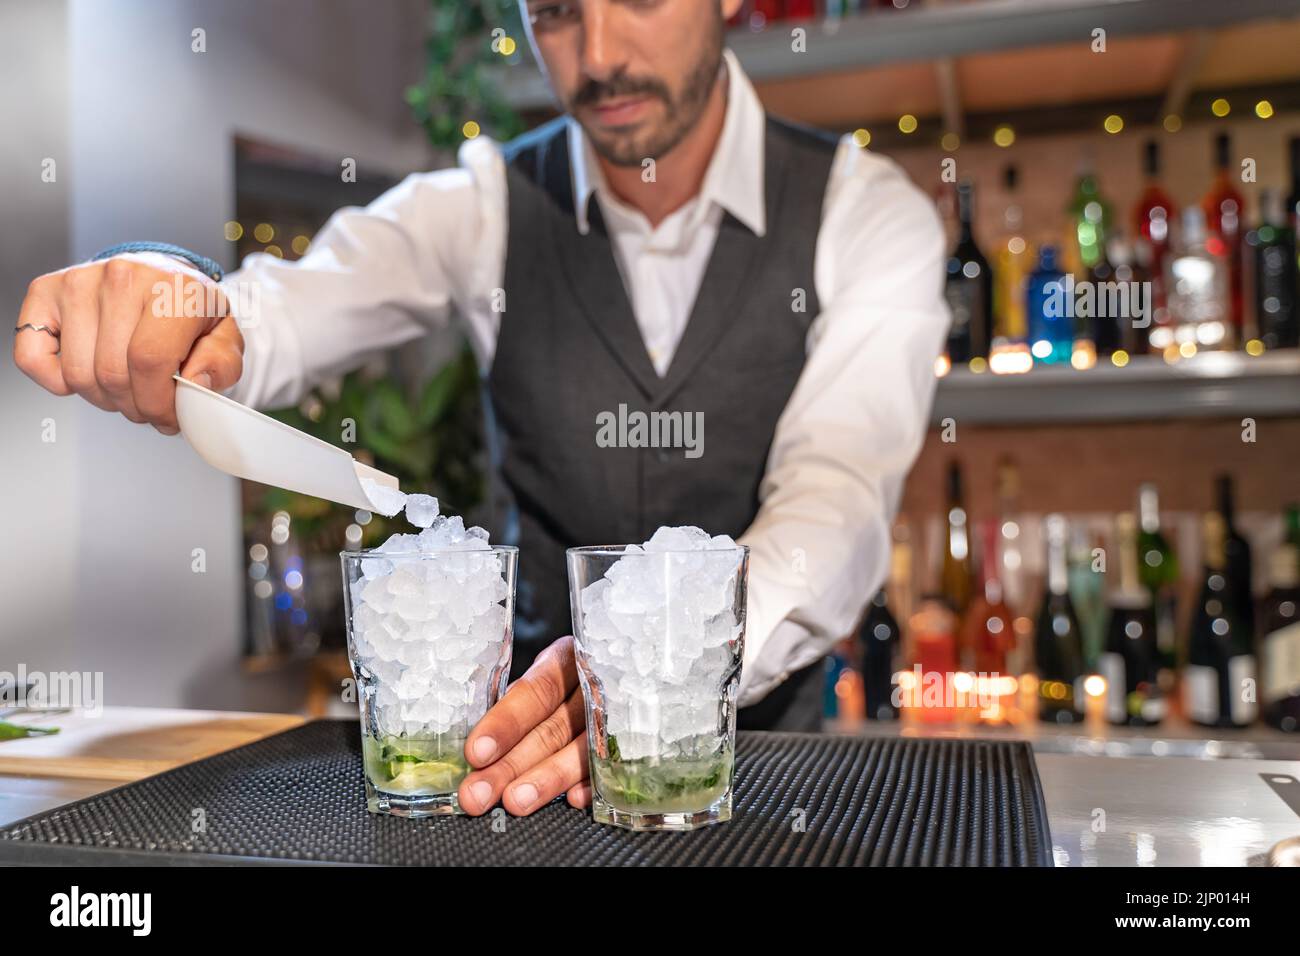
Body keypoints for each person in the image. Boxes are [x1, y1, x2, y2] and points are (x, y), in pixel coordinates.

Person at [12, 0, 947, 817]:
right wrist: (179, 296)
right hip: (509, 777)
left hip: (762, 776)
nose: (602, 52)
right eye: (555, 11)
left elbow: (839, 493)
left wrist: (660, 665)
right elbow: (280, 310)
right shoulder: (480, 206)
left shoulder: (864, 214)